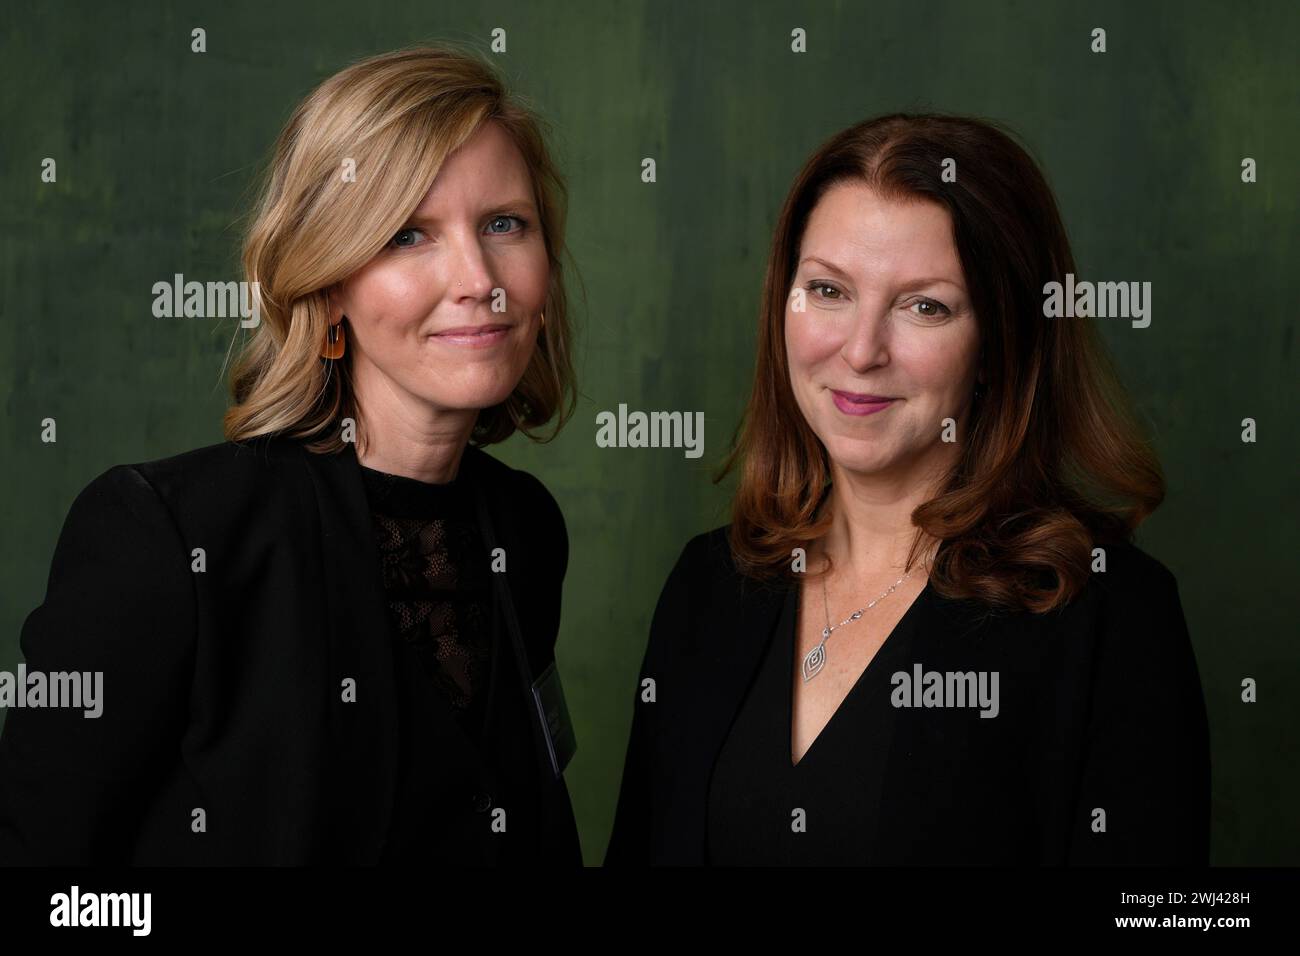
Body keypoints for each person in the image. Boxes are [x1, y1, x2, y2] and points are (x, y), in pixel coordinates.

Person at [0, 45, 581, 865]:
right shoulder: (166, 536)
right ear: (327, 281)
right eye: (409, 234)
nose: (478, 277)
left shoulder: (523, 530)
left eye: (503, 224)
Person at [604, 113, 1210, 866]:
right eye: (827, 290)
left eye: (925, 306)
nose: (860, 351)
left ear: (1001, 343)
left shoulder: (1110, 616)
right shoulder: (708, 586)